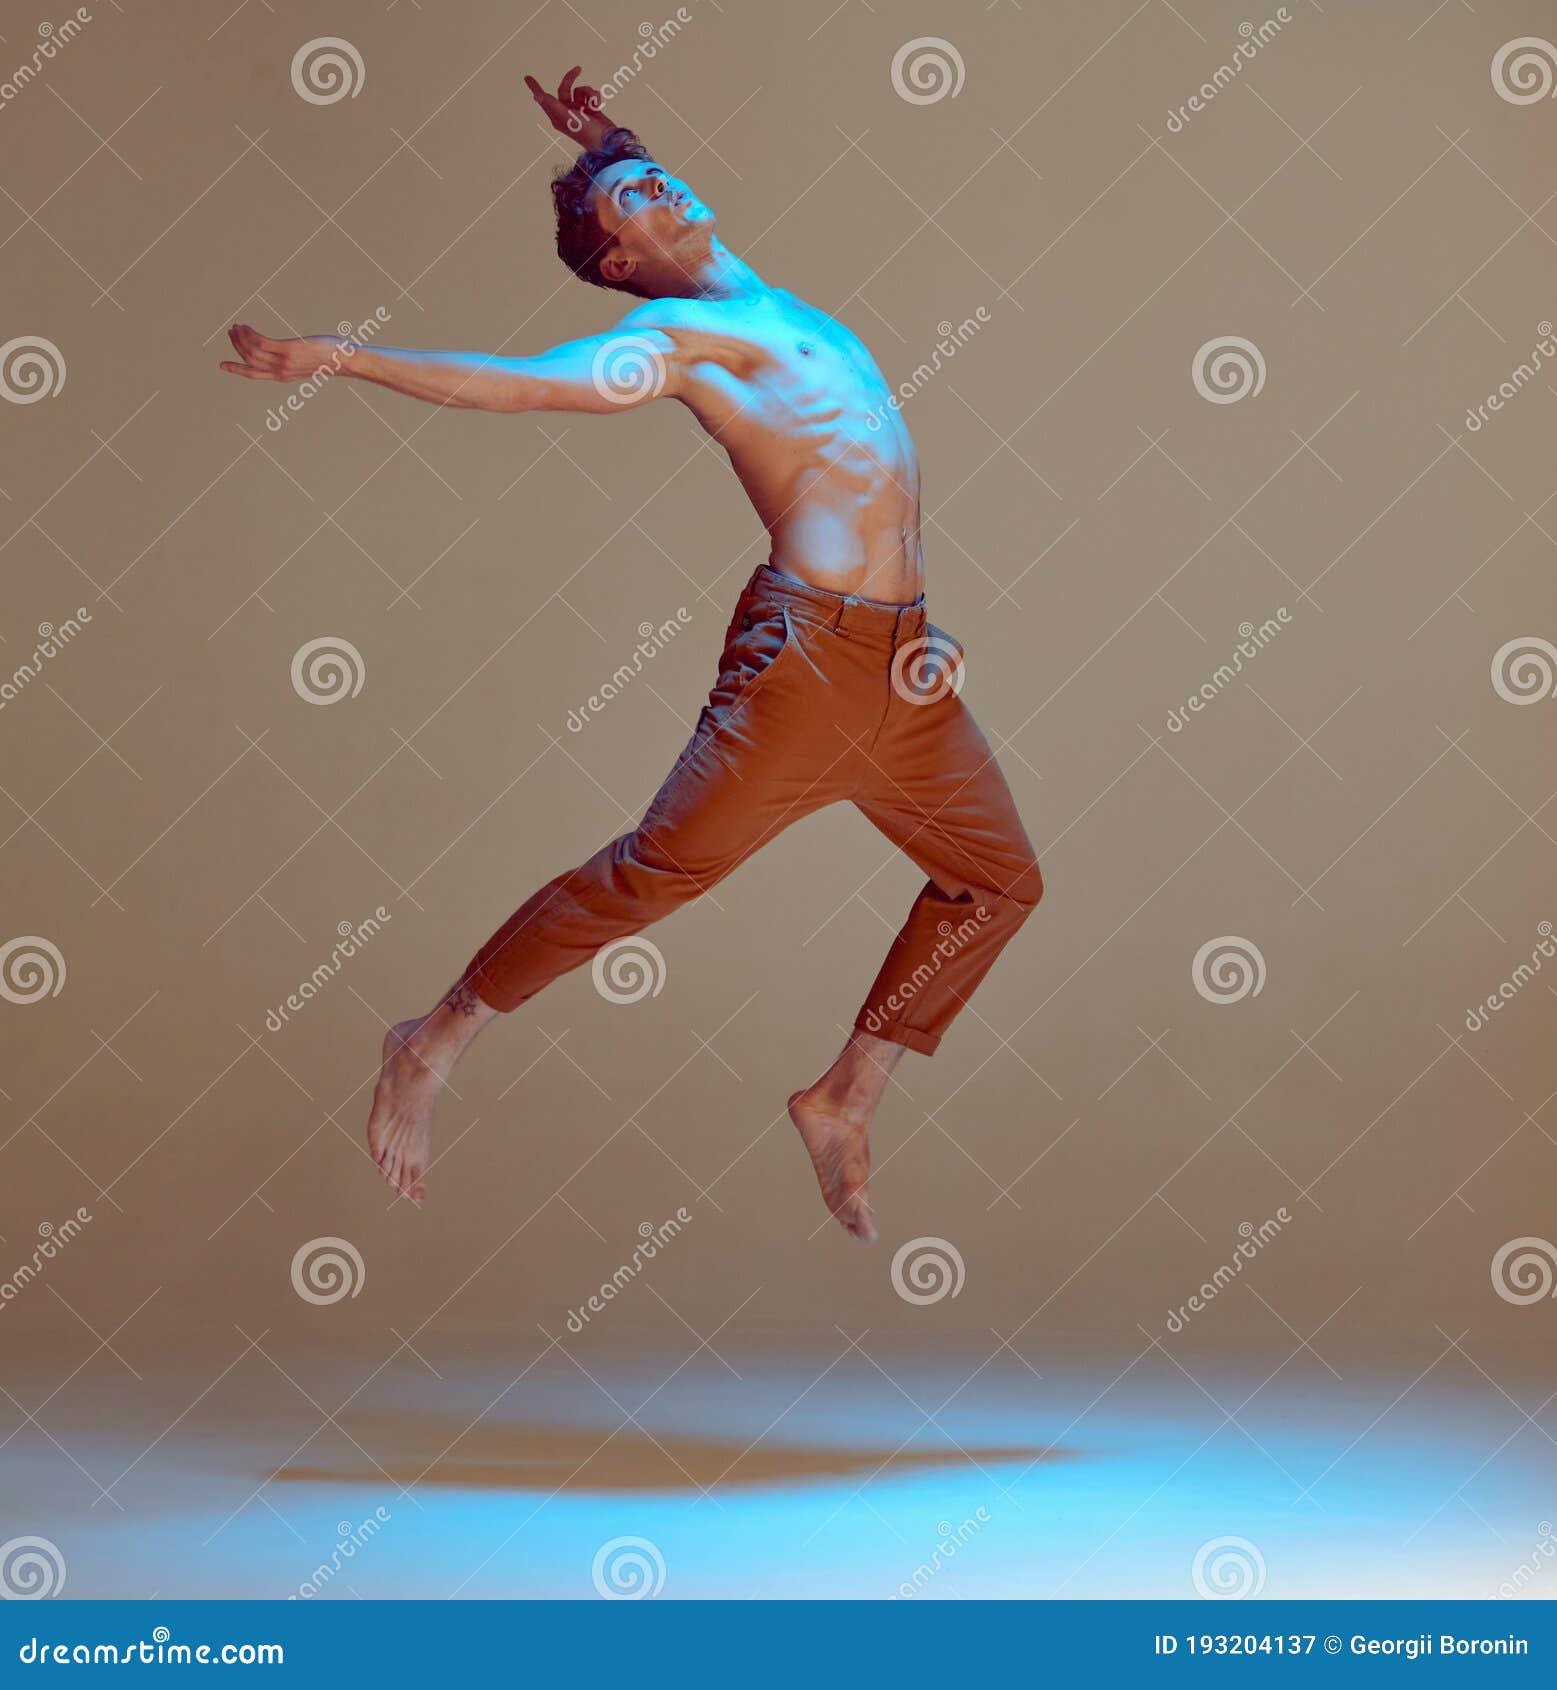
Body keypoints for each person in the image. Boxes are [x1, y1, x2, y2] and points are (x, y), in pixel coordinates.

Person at [219, 68, 1043, 1242]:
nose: (661, 185)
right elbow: (518, 389)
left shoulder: (760, 297)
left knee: (999, 882)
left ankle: (843, 1097)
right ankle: (434, 1037)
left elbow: (647, 187)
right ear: (618, 265)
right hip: (809, 664)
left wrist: (606, 141)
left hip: (908, 666)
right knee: (655, 873)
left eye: (657, 177)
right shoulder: (673, 335)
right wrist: (349, 358)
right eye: (631, 201)